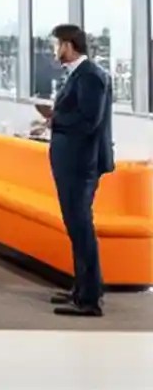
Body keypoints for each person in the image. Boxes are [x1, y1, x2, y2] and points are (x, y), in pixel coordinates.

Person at [40, 24, 114, 318]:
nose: (56, 50)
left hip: (81, 165)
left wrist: (56, 119)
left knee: (81, 228)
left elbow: (89, 121)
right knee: (76, 227)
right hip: (71, 163)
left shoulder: (91, 76)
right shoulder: (77, 76)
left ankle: (90, 299)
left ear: (69, 45)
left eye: (58, 45)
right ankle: (82, 289)